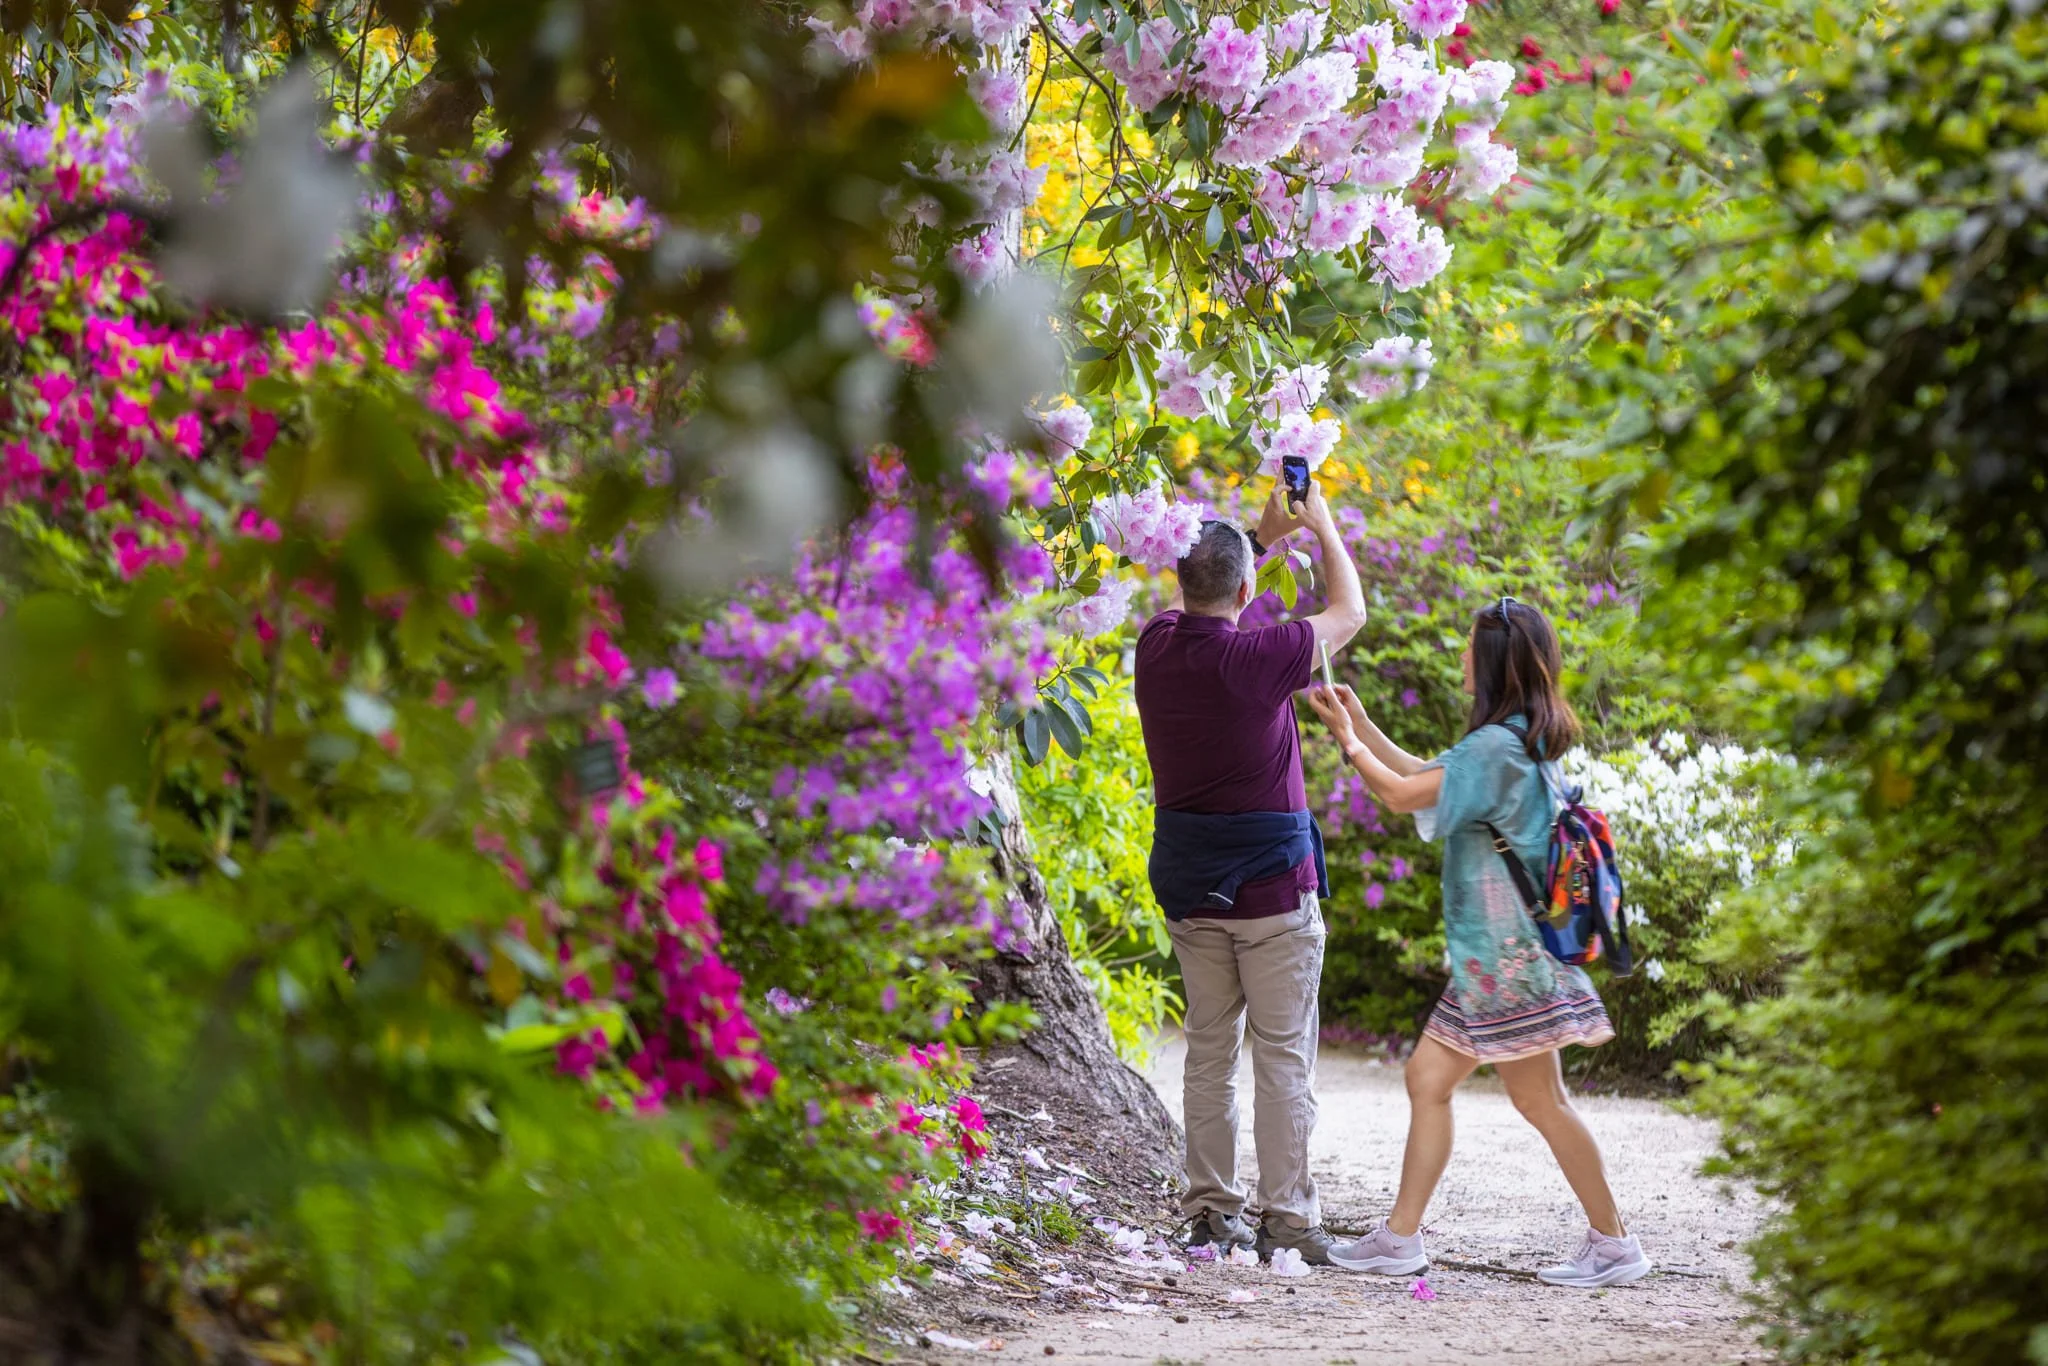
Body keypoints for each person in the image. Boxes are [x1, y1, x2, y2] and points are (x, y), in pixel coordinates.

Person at [1302, 596, 1652, 1289]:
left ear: (1493, 664)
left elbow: (1402, 796)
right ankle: (1402, 1237)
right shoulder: (1511, 740)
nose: (1462, 658)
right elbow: (1428, 783)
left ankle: (1613, 1244)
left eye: (1470, 649)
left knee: (1531, 1101)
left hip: (1506, 964)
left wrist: (1346, 741)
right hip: (1498, 961)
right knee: (1436, 1082)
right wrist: (1364, 721)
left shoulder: (1496, 746)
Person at [1134, 477, 1366, 1267]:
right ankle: (1289, 1221)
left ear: (1181, 582)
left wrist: (1260, 544)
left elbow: (1213, 594)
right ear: (1243, 589)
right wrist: (1318, 525)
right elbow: (1349, 613)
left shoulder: (1156, 647)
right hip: (1272, 896)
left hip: (1191, 892)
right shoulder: (1261, 658)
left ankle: (1210, 1212)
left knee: (1206, 1050)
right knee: (1281, 1057)